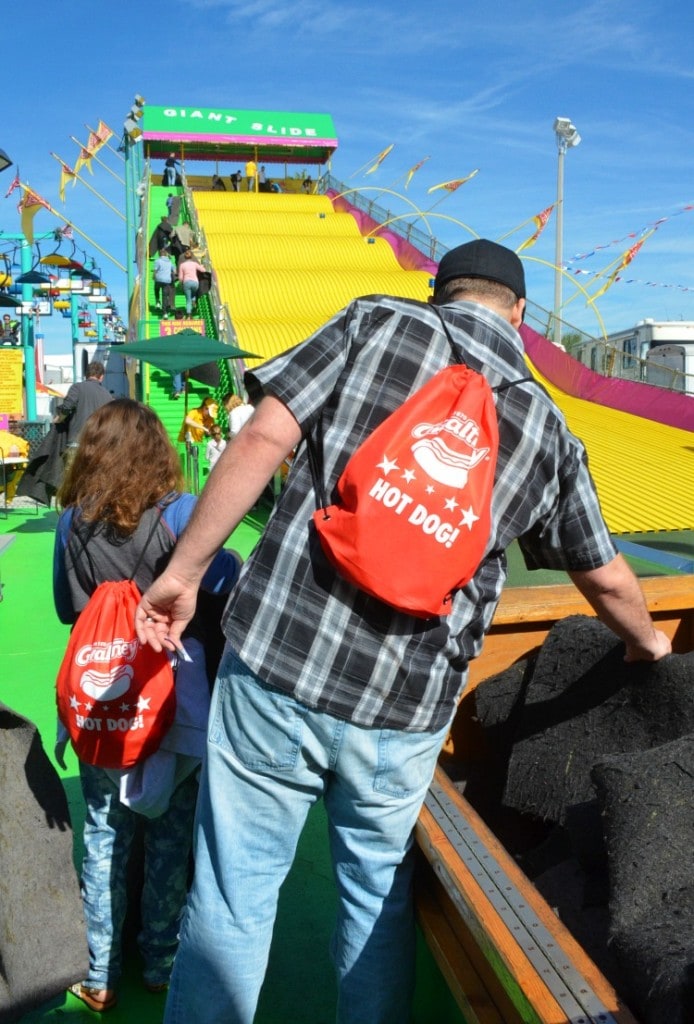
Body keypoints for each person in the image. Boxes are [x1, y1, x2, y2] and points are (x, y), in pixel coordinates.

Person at [136, 239, 671, 1024]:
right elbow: (605, 576)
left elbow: (259, 439)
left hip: (278, 662)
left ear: (437, 291)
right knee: (374, 905)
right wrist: (649, 646)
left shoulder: (372, 324)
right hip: (402, 707)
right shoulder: (549, 427)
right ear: (518, 314)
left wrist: (182, 575)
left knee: (233, 898)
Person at [53, 399, 241, 1013]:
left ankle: (99, 971)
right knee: (170, 830)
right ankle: (160, 958)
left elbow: (66, 607)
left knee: (105, 830)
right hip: (172, 702)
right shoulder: (181, 514)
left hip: (103, 697)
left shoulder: (69, 523)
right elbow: (222, 583)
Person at [54, 360, 112, 466]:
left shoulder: (77, 388)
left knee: (73, 479)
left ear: (86, 375)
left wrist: (59, 418)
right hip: (100, 446)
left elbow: (66, 408)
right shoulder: (108, 395)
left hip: (77, 443)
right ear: (101, 377)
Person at [177, 250, 206, 316]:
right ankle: (194, 300)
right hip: (195, 282)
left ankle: (189, 314)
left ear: (185, 257)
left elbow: (181, 277)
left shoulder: (182, 265)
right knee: (193, 293)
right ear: (192, 257)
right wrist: (202, 266)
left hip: (186, 282)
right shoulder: (194, 264)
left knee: (188, 299)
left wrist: (181, 283)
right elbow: (203, 270)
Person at [153, 247, 175, 317]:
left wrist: (153, 276)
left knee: (156, 288)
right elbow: (174, 271)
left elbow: (155, 270)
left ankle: (157, 302)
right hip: (167, 281)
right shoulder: (170, 262)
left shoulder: (157, 261)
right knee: (165, 296)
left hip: (159, 279)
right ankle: (165, 313)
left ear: (159, 254)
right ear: (165, 254)